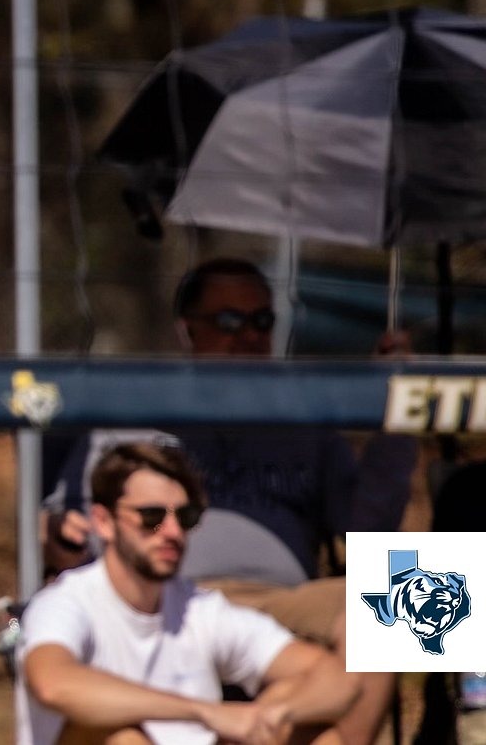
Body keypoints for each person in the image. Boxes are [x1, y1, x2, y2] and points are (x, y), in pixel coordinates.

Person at [43, 257, 411, 744]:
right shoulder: (135, 416)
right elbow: (68, 534)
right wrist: (61, 538)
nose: (248, 336)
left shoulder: (304, 417)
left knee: (421, 584)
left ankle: (468, 718)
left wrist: (396, 408)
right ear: (187, 331)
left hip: (287, 599)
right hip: (178, 592)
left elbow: (373, 535)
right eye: (228, 321)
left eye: (262, 321)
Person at [19, 441, 359, 745]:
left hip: (291, 592)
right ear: (104, 522)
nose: (172, 532)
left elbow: (340, 679)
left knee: (316, 731)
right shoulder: (65, 602)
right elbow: (53, 684)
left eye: (186, 516)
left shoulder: (199, 608)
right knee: (122, 739)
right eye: (151, 516)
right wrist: (205, 712)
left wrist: (274, 714)